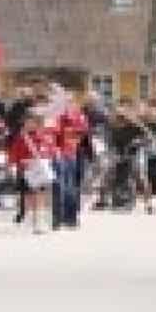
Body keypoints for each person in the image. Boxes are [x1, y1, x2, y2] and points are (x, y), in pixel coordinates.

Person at [11, 110, 57, 235]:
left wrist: (48, 158)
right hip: (25, 169)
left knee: (40, 195)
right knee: (27, 196)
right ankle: (30, 219)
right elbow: (14, 153)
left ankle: (39, 222)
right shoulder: (21, 138)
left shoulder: (43, 137)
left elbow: (50, 151)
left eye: (31, 122)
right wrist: (14, 166)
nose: (28, 124)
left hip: (39, 169)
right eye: (27, 122)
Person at [54, 95, 89, 229]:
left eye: (69, 101)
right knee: (59, 186)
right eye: (64, 101)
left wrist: (74, 136)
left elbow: (82, 132)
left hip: (70, 153)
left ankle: (71, 218)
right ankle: (59, 217)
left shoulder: (78, 115)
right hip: (57, 153)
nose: (67, 103)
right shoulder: (57, 115)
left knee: (70, 187)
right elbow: (53, 131)